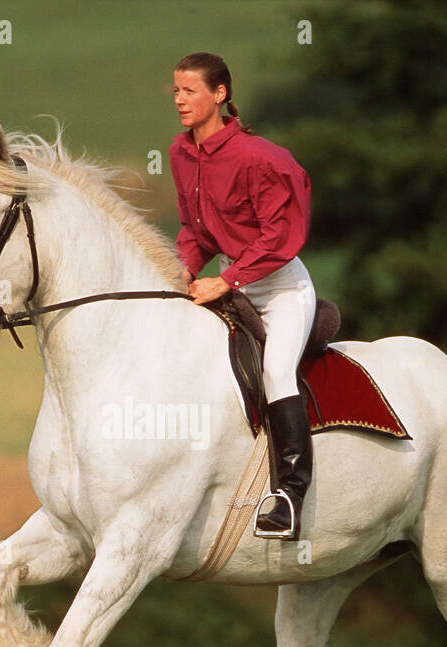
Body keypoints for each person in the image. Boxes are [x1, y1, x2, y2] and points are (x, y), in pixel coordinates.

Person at [169, 52, 316, 540]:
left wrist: (225, 281)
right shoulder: (181, 153)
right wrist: (181, 271)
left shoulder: (263, 159)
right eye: (175, 91)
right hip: (233, 283)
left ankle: (290, 496)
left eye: (189, 90)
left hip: (281, 287)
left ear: (219, 94)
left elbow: (280, 238)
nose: (179, 100)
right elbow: (197, 230)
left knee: (276, 370)